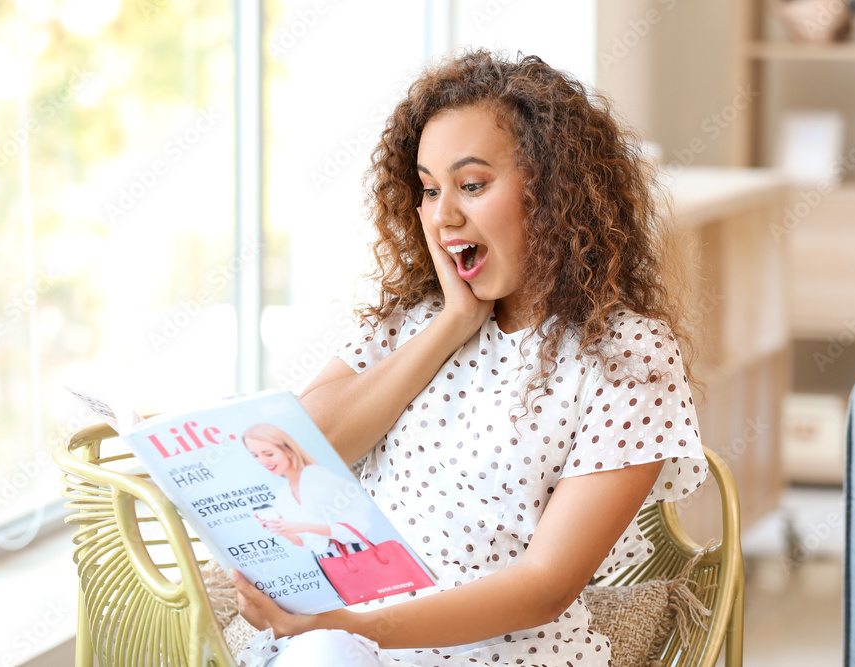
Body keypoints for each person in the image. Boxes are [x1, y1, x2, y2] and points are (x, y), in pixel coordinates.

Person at [231, 48, 708, 667]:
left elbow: (545, 586)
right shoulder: (417, 319)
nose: (443, 215)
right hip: (339, 641)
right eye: (428, 190)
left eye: (472, 184)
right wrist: (452, 325)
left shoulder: (627, 356)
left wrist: (353, 625)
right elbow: (302, 448)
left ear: (555, 191)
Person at [242, 422, 375, 556]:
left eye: (269, 454)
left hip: (362, 557)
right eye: (256, 456)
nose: (263, 462)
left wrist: (304, 526)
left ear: (288, 450)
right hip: (331, 566)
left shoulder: (316, 476)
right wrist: (282, 530)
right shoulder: (283, 495)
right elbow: (307, 546)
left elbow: (360, 529)